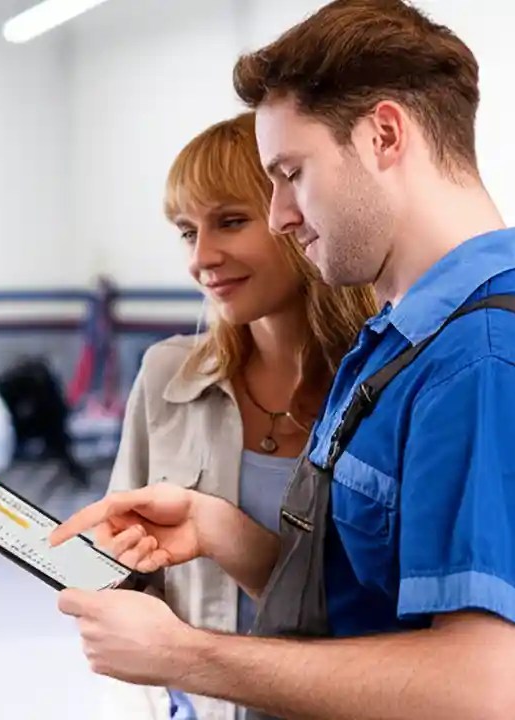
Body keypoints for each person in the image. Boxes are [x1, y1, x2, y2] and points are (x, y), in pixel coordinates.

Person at [50, 2, 515, 719]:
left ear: (384, 135)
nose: (280, 215)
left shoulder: (489, 362)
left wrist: (183, 655)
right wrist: (221, 531)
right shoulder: (398, 345)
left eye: (292, 173)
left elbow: (480, 691)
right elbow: (350, 613)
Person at [94, 113, 376, 720]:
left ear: (295, 213)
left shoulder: (381, 389)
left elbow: (372, 609)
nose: (202, 258)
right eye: (186, 232)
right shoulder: (166, 376)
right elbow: (123, 571)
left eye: (229, 222)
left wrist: (225, 534)